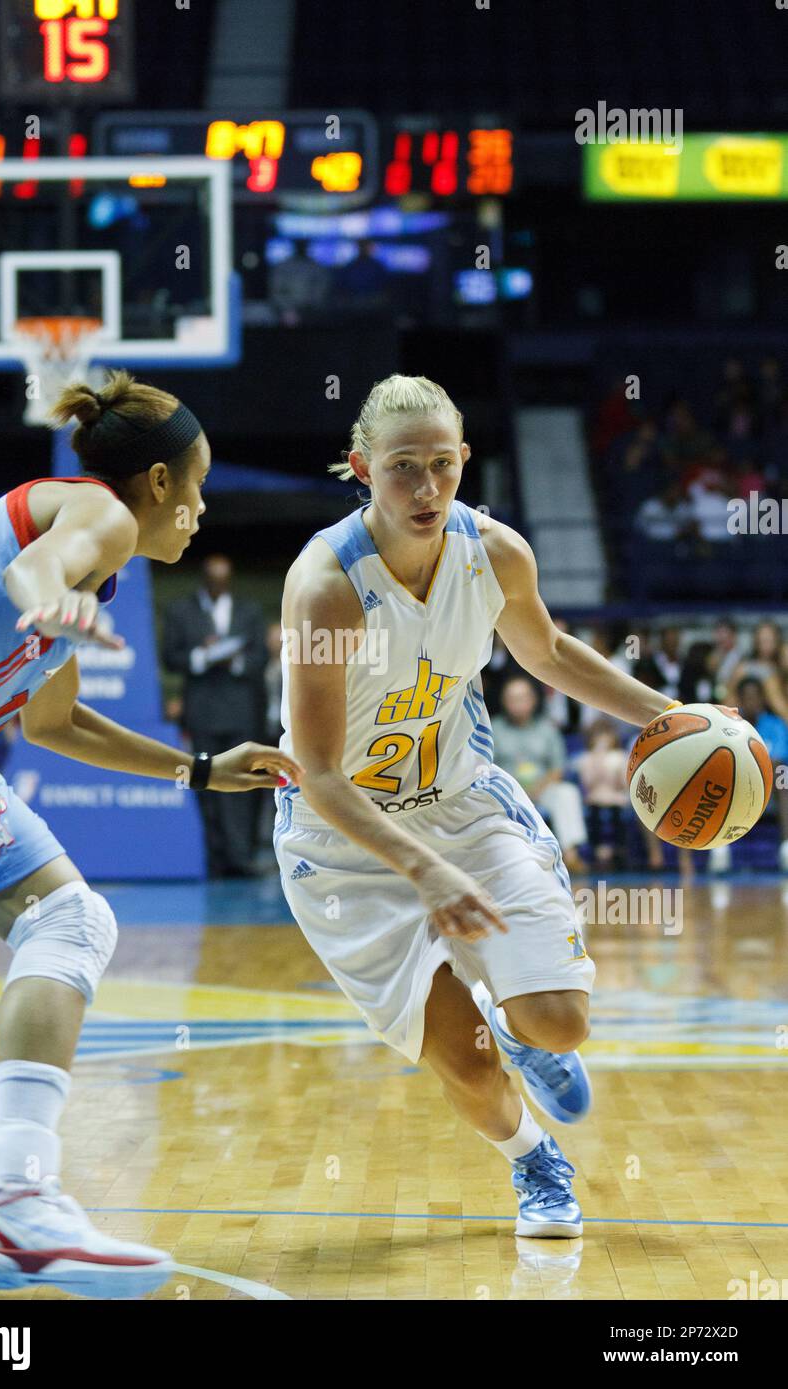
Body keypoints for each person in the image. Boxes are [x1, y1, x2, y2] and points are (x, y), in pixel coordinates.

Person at [0, 371, 301, 1297]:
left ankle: (9, 1214)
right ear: (156, 482)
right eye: (195, 488)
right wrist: (49, 595)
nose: (198, 511)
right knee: (68, 922)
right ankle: (15, 1204)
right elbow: (30, 577)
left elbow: (55, 726)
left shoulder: (87, 566)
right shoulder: (97, 518)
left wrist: (197, 769)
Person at [273, 373, 686, 1239]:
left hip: (463, 805)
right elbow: (315, 769)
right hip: (342, 841)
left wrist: (670, 717)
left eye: (441, 465)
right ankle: (535, 1161)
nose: (425, 490)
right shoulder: (325, 588)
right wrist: (419, 871)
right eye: (400, 469)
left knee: (559, 1021)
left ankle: (527, 1034)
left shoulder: (494, 552)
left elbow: (548, 653)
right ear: (360, 468)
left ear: (464, 460)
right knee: (463, 1059)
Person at [162, 555, 269, 876]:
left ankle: (242, 857)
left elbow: (259, 658)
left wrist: (232, 659)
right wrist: (203, 656)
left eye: (224, 578)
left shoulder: (249, 611)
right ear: (204, 579)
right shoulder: (180, 611)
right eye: (213, 578)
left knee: (244, 783)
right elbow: (170, 657)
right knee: (205, 782)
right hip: (202, 711)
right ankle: (215, 859)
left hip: (242, 712)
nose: (218, 584)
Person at [491, 676, 589, 876]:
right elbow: (485, 766)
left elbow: (558, 768)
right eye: (512, 698)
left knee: (567, 792)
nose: (517, 703)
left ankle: (570, 855)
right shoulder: (494, 728)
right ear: (504, 701)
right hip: (505, 791)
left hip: (542, 789)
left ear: (532, 700)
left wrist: (538, 788)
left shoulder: (547, 729)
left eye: (521, 698)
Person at [711, 676, 788, 874]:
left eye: (755, 697)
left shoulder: (775, 724)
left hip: (768, 785)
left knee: (783, 778)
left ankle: (786, 846)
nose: (751, 702)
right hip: (739, 783)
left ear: (762, 699)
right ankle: (719, 845)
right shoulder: (732, 725)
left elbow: (778, 761)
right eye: (747, 697)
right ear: (740, 700)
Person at [576, 720, 629, 871]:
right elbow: (588, 783)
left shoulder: (619, 756)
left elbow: (623, 784)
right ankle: (597, 851)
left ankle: (618, 850)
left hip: (615, 797)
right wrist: (597, 762)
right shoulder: (586, 758)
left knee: (617, 815)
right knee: (594, 816)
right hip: (595, 797)